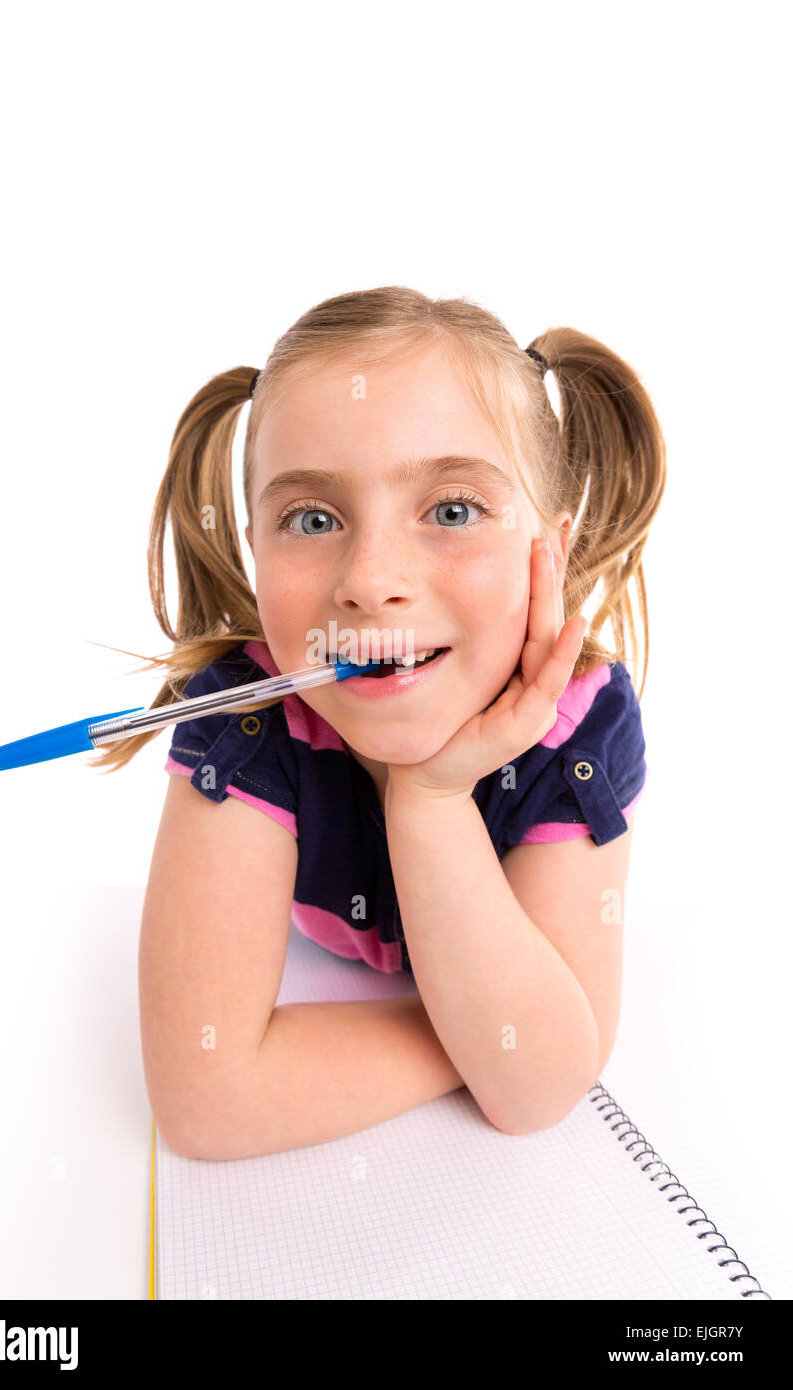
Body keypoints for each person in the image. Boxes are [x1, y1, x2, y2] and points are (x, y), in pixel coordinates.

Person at [101, 286, 666, 1159]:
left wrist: (432, 800)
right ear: (256, 553)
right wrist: (484, 1031)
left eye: (450, 510)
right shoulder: (248, 725)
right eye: (313, 519)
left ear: (546, 555)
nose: (371, 579)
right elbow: (206, 1104)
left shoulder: (576, 735)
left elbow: (537, 1090)